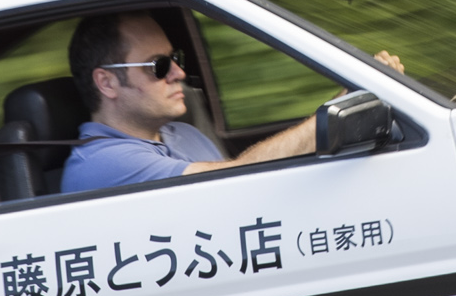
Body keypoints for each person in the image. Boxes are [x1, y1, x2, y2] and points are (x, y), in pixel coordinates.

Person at [59, 12, 401, 193]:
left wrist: (343, 103)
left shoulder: (181, 133)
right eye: (158, 65)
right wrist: (330, 119)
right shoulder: (102, 163)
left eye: (174, 58)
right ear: (106, 82)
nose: (178, 72)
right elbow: (238, 178)